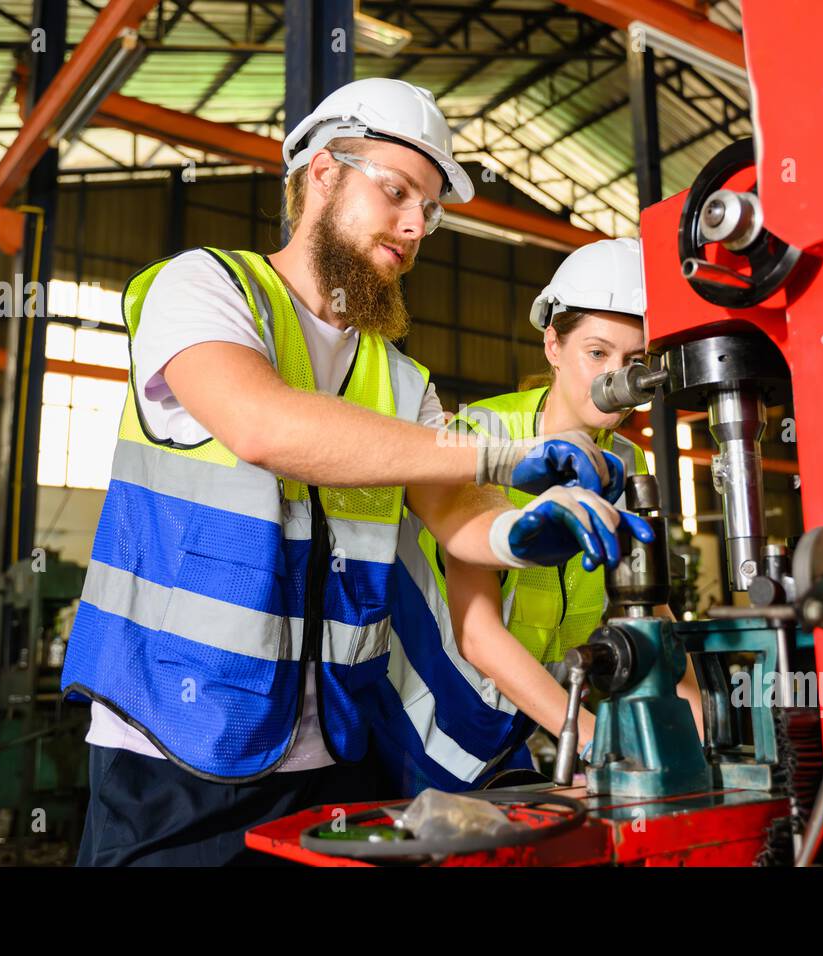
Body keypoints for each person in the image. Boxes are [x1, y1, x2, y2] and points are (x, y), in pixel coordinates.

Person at [61, 78, 653, 865]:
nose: (416, 225)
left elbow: (455, 513)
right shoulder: (208, 288)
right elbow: (263, 425)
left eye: (431, 209)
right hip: (173, 742)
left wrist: (520, 531)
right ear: (323, 174)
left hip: (336, 751)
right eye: (398, 191)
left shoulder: (402, 378)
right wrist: (505, 454)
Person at [368, 237, 704, 795]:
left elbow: (646, 602)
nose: (614, 379)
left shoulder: (627, 461)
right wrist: (597, 741)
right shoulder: (477, 437)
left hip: (521, 715)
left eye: (635, 361)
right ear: (552, 343)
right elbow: (477, 634)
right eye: (597, 353)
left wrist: (695, 715)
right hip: (424, 712)